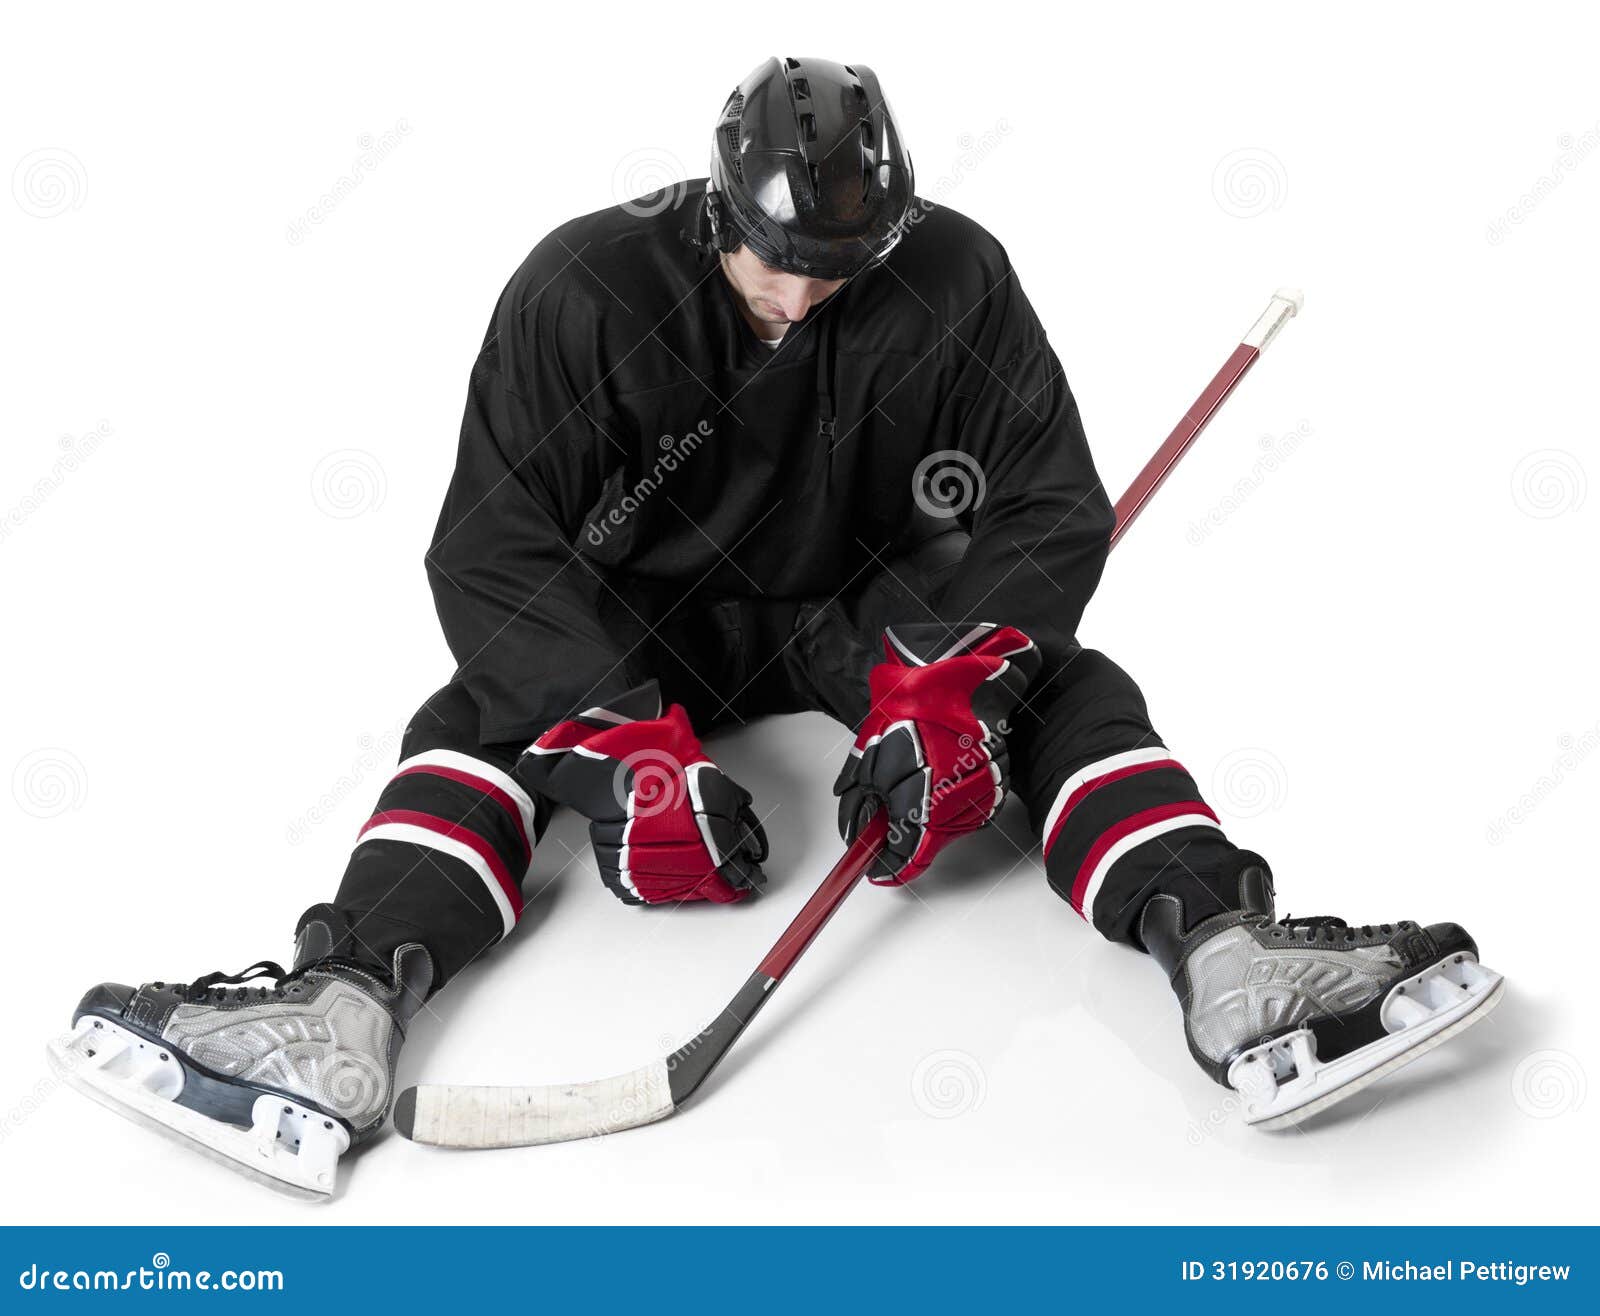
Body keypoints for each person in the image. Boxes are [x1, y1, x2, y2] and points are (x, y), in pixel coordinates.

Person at [48, 56, 1504, 1198]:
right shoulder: (580, 288)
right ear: (714, 203)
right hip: (647, 621)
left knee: (1070, 684)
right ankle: (345, 1002)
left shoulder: (956, 276)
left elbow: (1049, 504)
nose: (803, 294)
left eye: (842, 266)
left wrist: (959, 683)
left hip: (869, 610)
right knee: (480, 710)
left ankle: (1227, 950)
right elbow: (496, 547)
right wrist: (612, 748)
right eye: (772, 259)